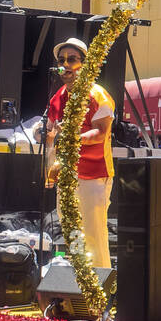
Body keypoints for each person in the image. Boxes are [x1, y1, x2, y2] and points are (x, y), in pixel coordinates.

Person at [45, 37, 115, 268]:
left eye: (71, 59)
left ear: (85, 64)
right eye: (61, 60)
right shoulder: (58, 96)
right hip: (67, 176)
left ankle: (100, 292)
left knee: (94, 235)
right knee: (71, 233)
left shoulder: (98, 95)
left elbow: (101, 133)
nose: (65, 64)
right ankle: (77, 282)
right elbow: (49, 133)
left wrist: (72, 137)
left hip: (94, 175)